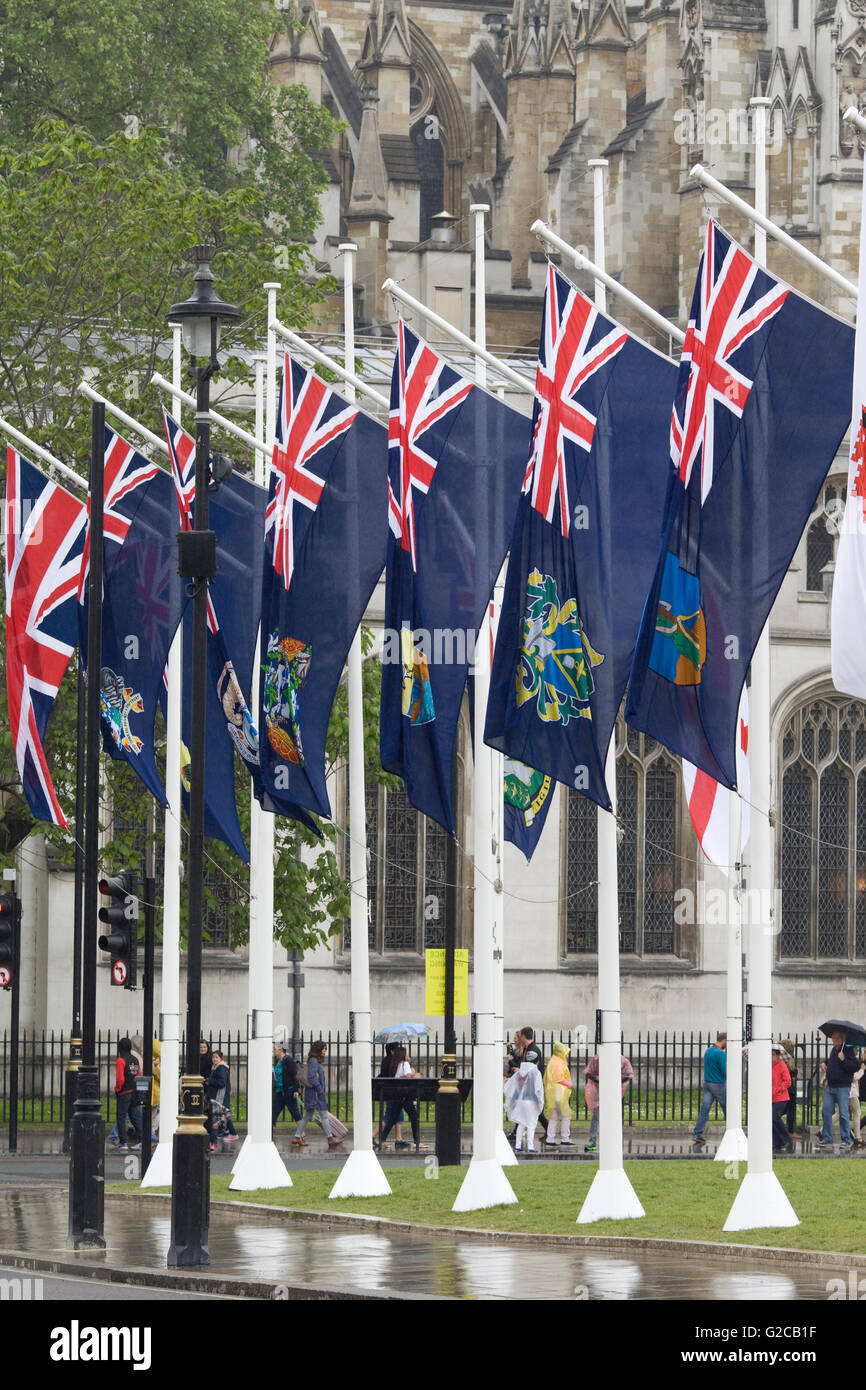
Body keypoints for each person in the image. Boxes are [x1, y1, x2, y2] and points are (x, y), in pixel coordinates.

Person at [583, 1052, 634, 1153]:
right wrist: (598, 1078)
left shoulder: (622, 1061)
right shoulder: (598, 1059)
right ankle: (592, 1141)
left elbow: (628, 1075)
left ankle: (612, 1142)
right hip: (599, 1094)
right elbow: (589, 1073)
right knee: (596, 1118)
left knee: (612, 1119)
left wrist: (614, 1080)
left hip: (613, 1094)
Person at [293, 1040, 338, 1148]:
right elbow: (312, 1077)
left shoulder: (314, 1061)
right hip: (316, 1094)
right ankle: (330, 1138)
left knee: (308, 1116)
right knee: (324, 1115)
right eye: (324, 1048)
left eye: (325, 1049)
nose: (325, 1051)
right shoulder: (314, 1061)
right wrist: (320, 1089)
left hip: (314, 1093)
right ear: (318, 1049)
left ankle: (297, 1137)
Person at [506, 1028, 547, 1145]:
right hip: (526, 1087)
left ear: (523, 1036)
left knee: (531, 1116)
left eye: (520, 1036)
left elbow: (529, 1070)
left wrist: (516, 1067)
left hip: (530, 1088)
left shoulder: (532, 1050)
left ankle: (532, 1142)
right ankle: (520, 1141)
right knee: (527, 1114)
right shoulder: (528, 1049)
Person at [376, 1046, 421, 1150]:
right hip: (404, 1095)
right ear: (403, 1055)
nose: (408, 1055)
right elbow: (409, 1076)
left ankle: (382, 1140)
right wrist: (415, 1073)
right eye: (406, 1054)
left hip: (396, 1094)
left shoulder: (395, 1064)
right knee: (414, 1117)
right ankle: (417, 1142)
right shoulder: (405, 1064)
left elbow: (401, 1076)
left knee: (392, 1118)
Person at [820, 1028, 859, 1149]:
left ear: (842, 1039)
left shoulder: (847, 1051)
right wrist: (824, 1063)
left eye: (837, 1038)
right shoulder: (834, 1050)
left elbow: (854, 1067)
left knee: (843, 1113)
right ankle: (827, 1138)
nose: (835, 1040)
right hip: (831, 1086)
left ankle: (846, 1140)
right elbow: (831, 1061)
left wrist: (844, 1060)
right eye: (833, 1038)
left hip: (842, 1087)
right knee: (826, 1111)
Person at [693, 1032, 727, 1147]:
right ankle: (732, 1130)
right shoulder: (721, 1053)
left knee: (705, 1109)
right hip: (718, 1084)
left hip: (707, 1083)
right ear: (724, 1040)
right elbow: (724, 1071)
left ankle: (697, 1133)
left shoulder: (708, 1051)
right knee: (728, 1108)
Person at [504, 1058, 544, 1153]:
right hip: (531, 1101)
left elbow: (514, 1085)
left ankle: (518, 1146)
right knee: (531, 1124)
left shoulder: (520, 1072)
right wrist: (539, 1102)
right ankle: (530, 1147)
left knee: (521, 1123)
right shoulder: (535, 1072)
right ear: (537, 1061)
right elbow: (538, 1089)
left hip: (520, 1101)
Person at [112, 1037, 142, 1151]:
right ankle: (142, 1139)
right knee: (134, 1117)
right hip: (134, 1091)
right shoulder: (135, 1059)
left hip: (124, 1092)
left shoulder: (121, 1060)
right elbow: (138, 1075)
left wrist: (117, 1089)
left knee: (121, 1117)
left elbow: (120, 1079)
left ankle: (123, 1142)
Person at [205, 1049, 237, 1150]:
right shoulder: (216, 1067)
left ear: (220, 1058)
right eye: (213, 1057)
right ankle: (228, 1132)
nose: (214, 1059)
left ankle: (230, 1133)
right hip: (218, 1096)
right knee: (223, 1115)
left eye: (216, 1057)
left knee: (218, 1116)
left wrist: (209, 1081)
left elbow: (222, 1083)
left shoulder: (221, 1068)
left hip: (219, 1096)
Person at [543, 1041, 574, 1146]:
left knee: (554, 1116)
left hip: (552, 1093)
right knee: (566, 1115)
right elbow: (558, 1078)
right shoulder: (558, 1063)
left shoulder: (553, 1061)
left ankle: (550, 1139)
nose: (566, 1054)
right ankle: (565, 1138)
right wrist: (569, 1084)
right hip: (560, 1093)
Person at [272, 1043, 301, 1128]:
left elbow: (295, 1075)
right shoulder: (278, 1061)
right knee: (273, 1112)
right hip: (280, 1092)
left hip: (289, 1091)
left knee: (295, 1113)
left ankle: (302, 1135)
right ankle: (269, 1135)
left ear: (281, 1050)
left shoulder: (288, 1060)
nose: (273, 1051)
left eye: (275, 1049)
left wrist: (296, 1090)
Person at [771, 1044, 793, 1153]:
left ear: (778, 1055)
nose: (771, 1056)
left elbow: (788, 1081)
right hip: (771, 1098)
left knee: (775, 1117)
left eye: (773, 1054)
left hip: (781, 1097)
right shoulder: (768, 1066)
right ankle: (776, 1142)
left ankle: (786, 1139)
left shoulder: (782, 1065)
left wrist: (778, 1089)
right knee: (771, 1120)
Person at [850, 1051, 865, 1149]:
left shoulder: (858, 1062)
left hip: (855, 1091)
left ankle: (822, 1130)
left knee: (842, 1113)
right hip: (853, 1091)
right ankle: (857, 1136)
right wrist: (862, 1070)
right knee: (856, 1112)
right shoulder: (857, 1063)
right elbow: (855, 1077)